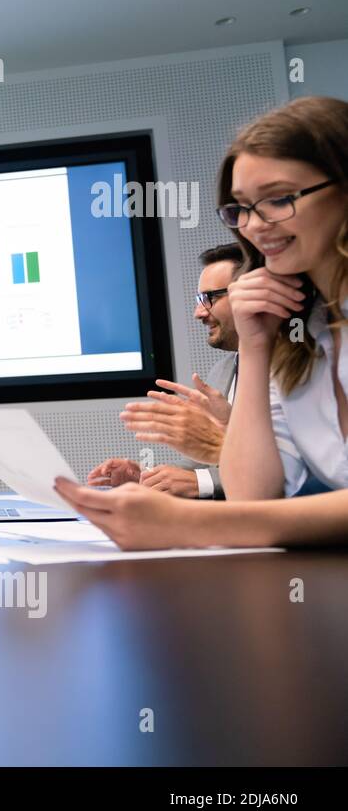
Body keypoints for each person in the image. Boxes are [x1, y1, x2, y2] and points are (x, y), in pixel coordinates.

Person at [56, 96, 348, 548]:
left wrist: (186, 523)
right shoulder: (298, 333)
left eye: (278, 199)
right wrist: (254, 345)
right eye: (242, 208)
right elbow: (256, 494)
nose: (254, 226)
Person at [87, 244, 242, 498]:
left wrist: (202, 482)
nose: (199, 313)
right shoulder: (224, 370)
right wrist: (144, 478)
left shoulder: (295, 371)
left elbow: (289, 471)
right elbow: (205, 465)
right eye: (198, 300)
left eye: (209, 298)